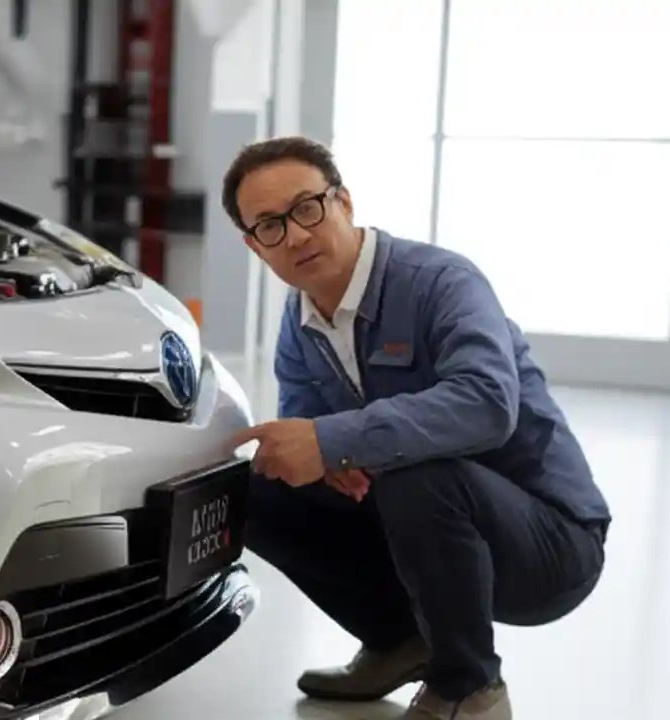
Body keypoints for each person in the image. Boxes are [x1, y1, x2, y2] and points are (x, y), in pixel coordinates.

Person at [223, 136, 611, 720]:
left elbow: (486, 403)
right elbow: (314, 434)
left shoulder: (441, 281)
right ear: (255, 247)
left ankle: (469, 687)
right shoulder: (299, 322)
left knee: (418, 473)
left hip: (549, 542)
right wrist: (324, 462)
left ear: (344, 203)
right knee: (257, 490)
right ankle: (400, 642)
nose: (297, 235)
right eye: (272, 226)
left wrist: (336, 443)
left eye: (308, 208)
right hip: (420, 529)